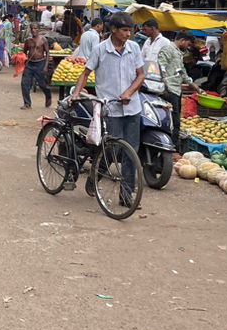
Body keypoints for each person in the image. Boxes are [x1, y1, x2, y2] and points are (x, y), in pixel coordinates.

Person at [70, 13, 145, 202]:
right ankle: (95, 176)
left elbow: (141, 75)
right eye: (125, 30)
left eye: (130, 30)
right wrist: (76, 93)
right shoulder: (100, 50)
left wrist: (129, 92)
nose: (128, 34)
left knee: (131, 151)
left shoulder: (134, 48)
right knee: (113, 149)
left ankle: (126, 195)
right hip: (111, 109)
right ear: (114, 29)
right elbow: (85, 73)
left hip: (133, 107)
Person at [20, 23, 52, 109]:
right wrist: (22, 61)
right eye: (32, 29)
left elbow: (47, 53)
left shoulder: (43, 39)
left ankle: (48, 95)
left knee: (42, 84)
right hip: (30, 64)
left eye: (35, 28)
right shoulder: (28, 40)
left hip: (40, 63)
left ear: (38, 29)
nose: (33, 30)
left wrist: (45, 66)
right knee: (25, 83)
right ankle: (27, 103)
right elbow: (24, 52)